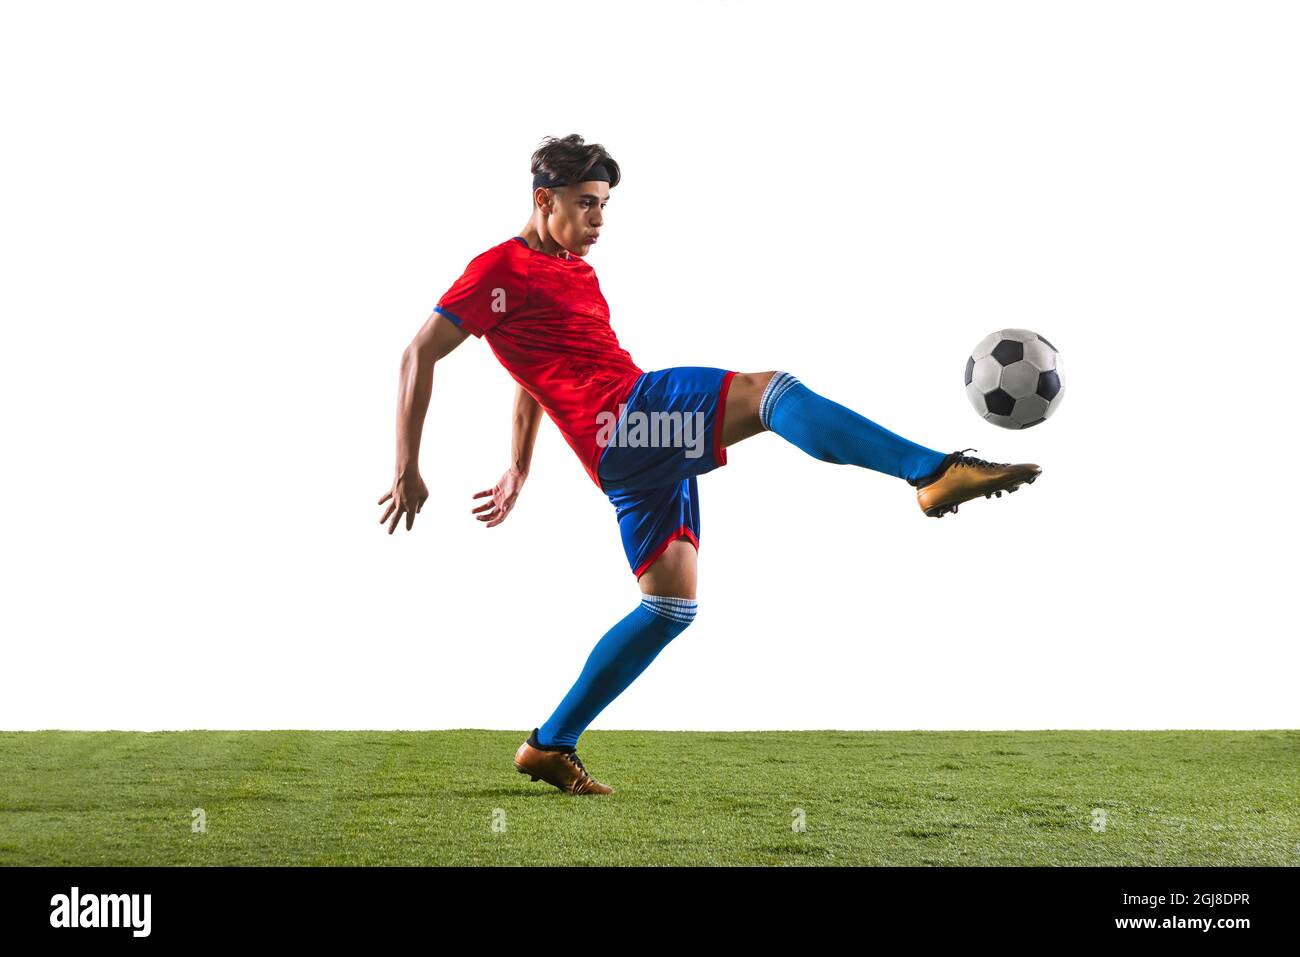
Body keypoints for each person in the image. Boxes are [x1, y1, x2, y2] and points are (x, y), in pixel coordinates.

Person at [379, 134, 1042, 795]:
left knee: (669, 606)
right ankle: (929, 471)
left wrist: (518, 467)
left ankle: (550, 743)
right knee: (769, 391)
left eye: (606, 204)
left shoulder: (575, 274)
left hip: (626, 448)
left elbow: (534, 372)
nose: (599, 219)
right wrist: (408, 465)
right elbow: (420, 352)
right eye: (585, 204)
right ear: (542, 199)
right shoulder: (501, 270)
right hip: (627, 419)